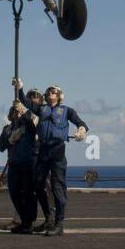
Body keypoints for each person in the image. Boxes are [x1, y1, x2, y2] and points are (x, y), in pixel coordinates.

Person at [32, 84, 88, 237]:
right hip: (43, 150)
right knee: (37, 184)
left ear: (59, 96)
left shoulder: (67, 110)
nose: (51, 92)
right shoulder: (40, 109)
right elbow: (25, 102)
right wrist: (20, 88)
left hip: (57, 150)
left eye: (54, 91)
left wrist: (81, 130)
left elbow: (81, 123)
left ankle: (59, 224)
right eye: (49, 90)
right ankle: (48, 219)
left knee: (57, 187)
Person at [0, 87, 38, 234]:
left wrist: (25, 111)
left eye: (18, 111)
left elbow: (36, 122)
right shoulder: (7, 129)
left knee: (28, 193)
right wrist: (10, 139)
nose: (17, 114)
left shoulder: (28, 126)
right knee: (15, 193)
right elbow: (1, 147)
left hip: (28, 163)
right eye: (14, 111)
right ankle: (24, 220)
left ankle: (29, 222)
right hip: (14, 164)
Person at [24, 88, 55, 233]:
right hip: (29, 155)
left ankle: (50, 218)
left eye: (36, 96)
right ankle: (29, 221)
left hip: (41, 155)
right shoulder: (26, 114)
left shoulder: (44, 113)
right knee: (29, 190)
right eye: (31, 97)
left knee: (43, 187)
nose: (34, 99)